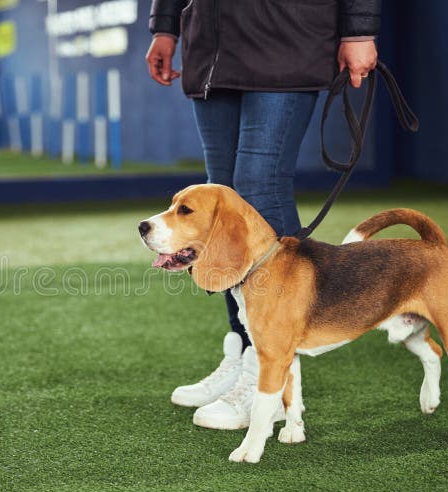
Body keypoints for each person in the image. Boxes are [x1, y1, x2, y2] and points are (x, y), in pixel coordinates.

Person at [145, 0, 380, 429]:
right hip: (211, 39)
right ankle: (243, 349)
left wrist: (359, 28)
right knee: (220, 201)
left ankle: (268, 370)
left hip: (285, 33)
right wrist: (165, 25)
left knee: (259, 189)